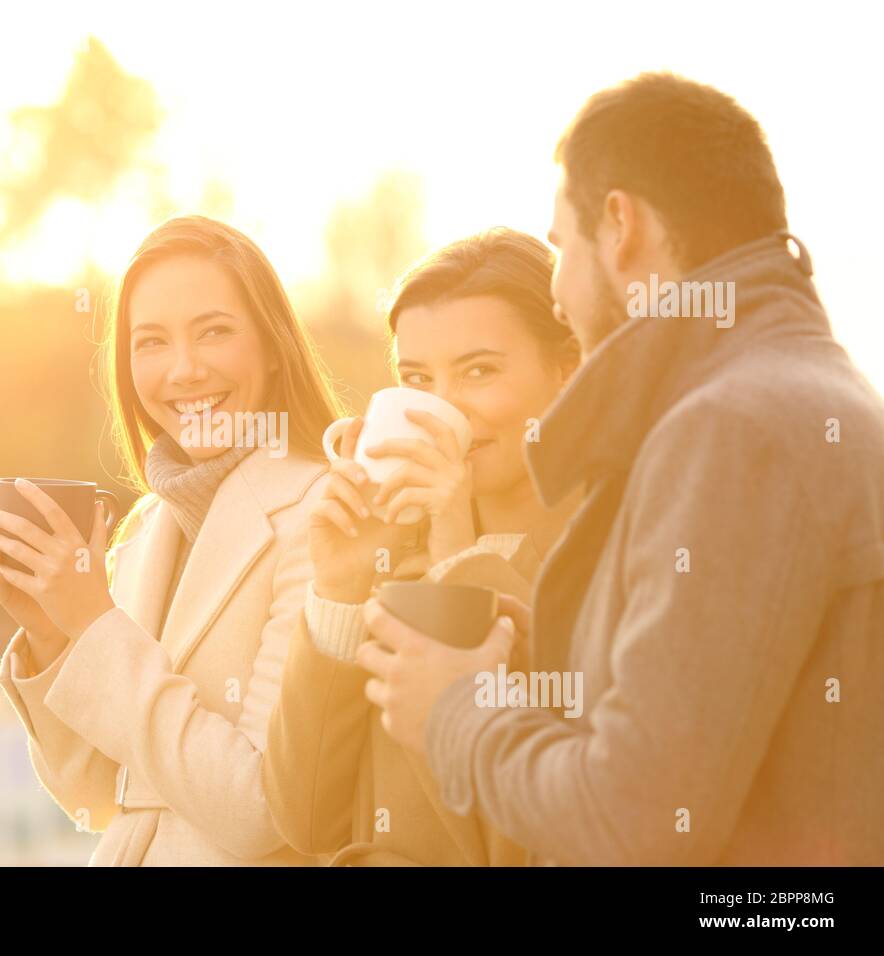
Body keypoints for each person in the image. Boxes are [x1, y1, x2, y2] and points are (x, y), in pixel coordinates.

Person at [359, 72, 884, 865]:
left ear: (620, 228)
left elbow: (637, 823)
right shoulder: (801, 391)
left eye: (561, 247)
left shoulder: (733, 429)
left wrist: (456, 712)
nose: (560, 290)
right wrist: (551, 655)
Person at [0, 215, 345, 865]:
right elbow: (95, 797)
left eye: (214, 332)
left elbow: (261, 812)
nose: (183, 370)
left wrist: (95, 626)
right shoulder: (147, 529)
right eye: (151, 342)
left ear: (274, 344)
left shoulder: (323, 517)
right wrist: (55, 637)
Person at [264, 228, 580, 865]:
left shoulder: (618, 559)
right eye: (417, 379)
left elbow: (555, 828)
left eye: (479, 371)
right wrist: (340, 591)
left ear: (567, 368)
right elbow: (303, 816)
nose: (443, 410)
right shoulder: (394, 571)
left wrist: (459, 558)